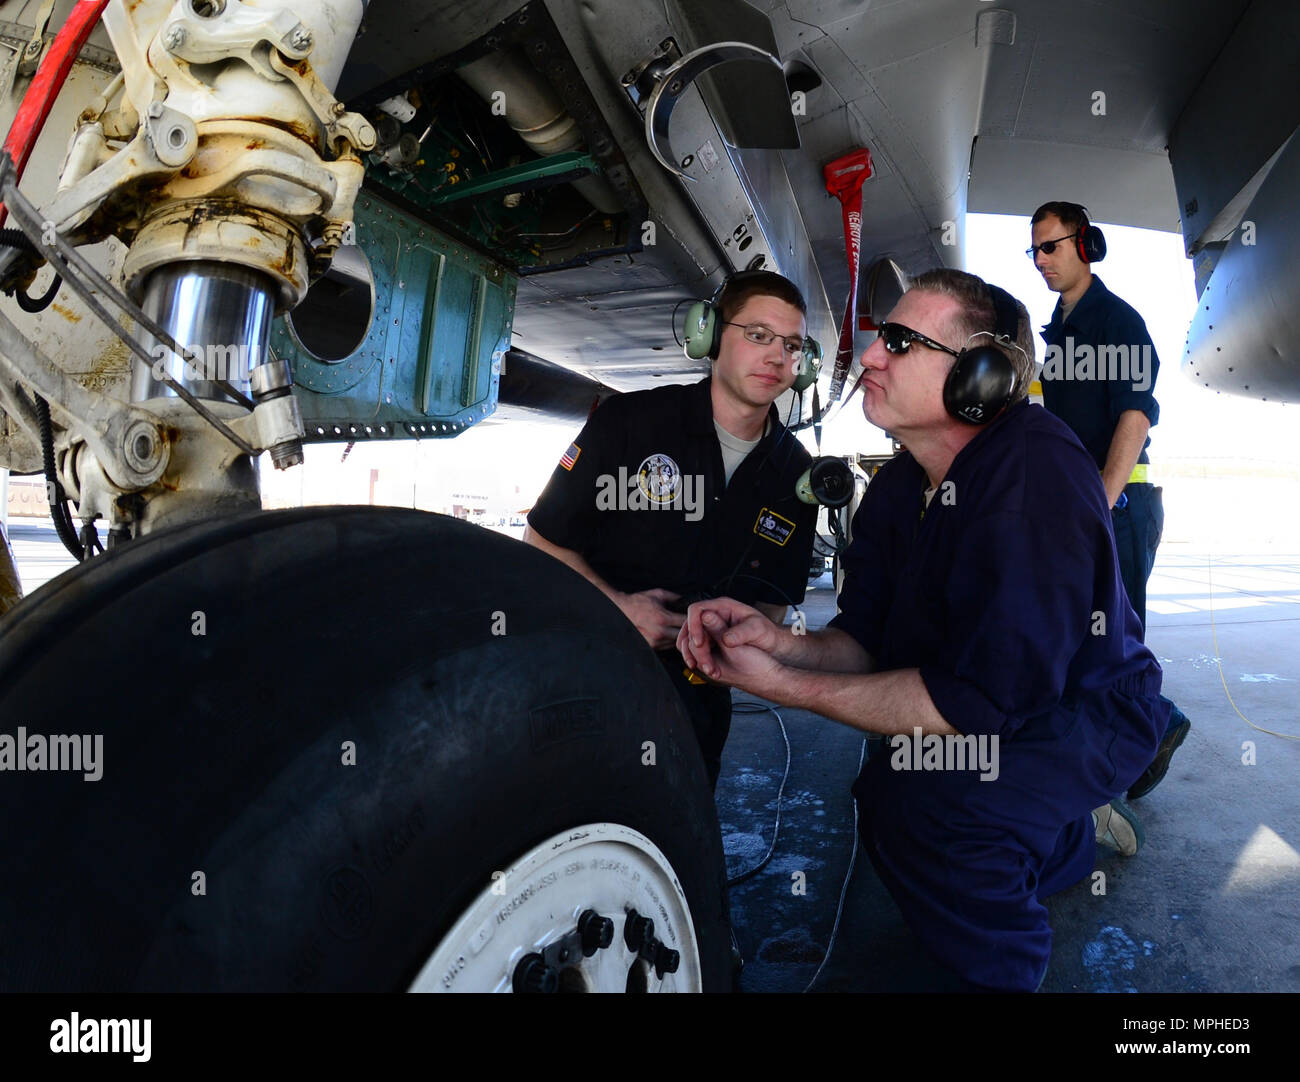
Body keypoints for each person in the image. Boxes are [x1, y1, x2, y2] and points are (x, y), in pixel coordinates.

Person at [677, 269, 1167, 992]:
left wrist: (786, 687)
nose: (869, 356)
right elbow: (866, 638)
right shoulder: (904, 486)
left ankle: (1001, 968)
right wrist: (780, 644)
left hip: (1085, 708)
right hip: (999, 698)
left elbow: (980, 703)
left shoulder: (1035, 476)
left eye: (900, 343)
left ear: (982, 377)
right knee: (887, 796)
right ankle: (1065, 838)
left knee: (944, 813)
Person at [524, 270, 819, 790]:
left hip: (696, 713)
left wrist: (736, 638)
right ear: (707, 335)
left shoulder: (798, 476)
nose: (777, 357)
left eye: (792, 345)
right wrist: (618, 609)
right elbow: (542, 544)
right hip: (584, 683)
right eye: (757, 335)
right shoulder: (630, 423)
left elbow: (773, 606)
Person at [1028, 201, 1192, 800]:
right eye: (1035, 250)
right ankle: (1126, 742)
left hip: (1118, 506)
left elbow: (1134, 414)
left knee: (1110, 640)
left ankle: (1147, 734)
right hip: (1083, 506)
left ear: (1085, 245)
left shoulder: (1116, 321)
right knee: (1076, 635)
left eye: (1052, 247)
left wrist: (1100, 500)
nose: (1041, 260)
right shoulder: (1058, 331)